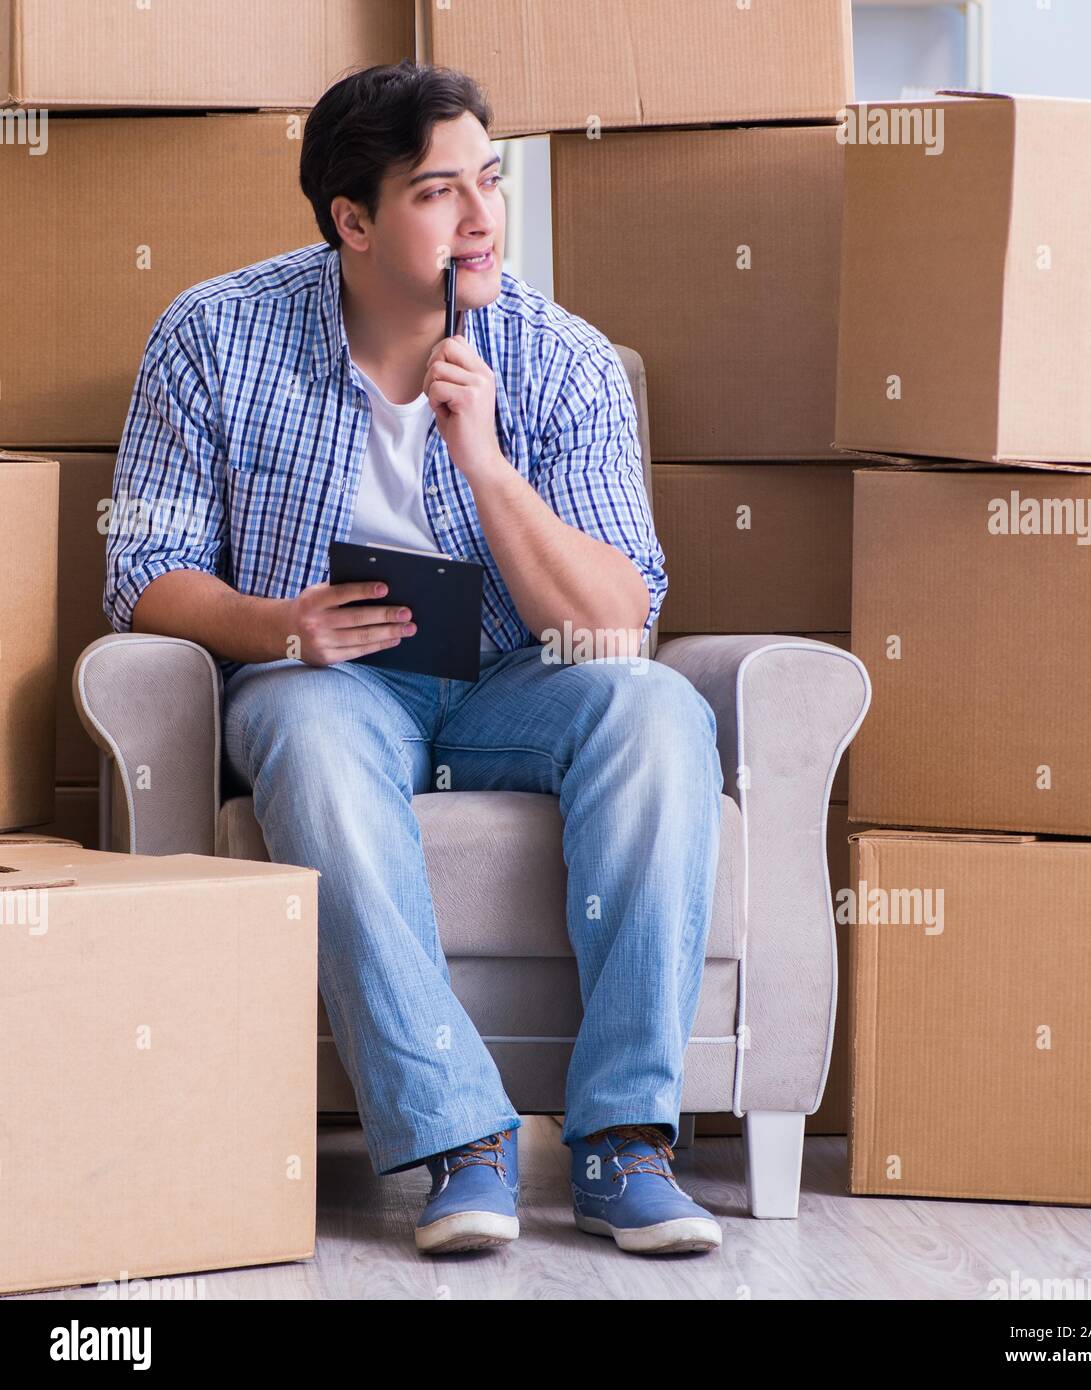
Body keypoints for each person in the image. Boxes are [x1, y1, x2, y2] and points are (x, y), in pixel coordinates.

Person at [104, 61, 724, 1257]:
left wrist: (485, 461)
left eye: (489, 180)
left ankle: (621, 1143)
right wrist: (283, 627)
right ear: (351, 218)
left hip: (514, 684)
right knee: (304, 732)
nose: (485, 218)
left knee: (654, 711)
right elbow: (143, 575)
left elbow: (613, 623)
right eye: (441, 192)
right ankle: (457, 1139)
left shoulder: (563, 358)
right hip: (329, 680)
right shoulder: (211, 333)